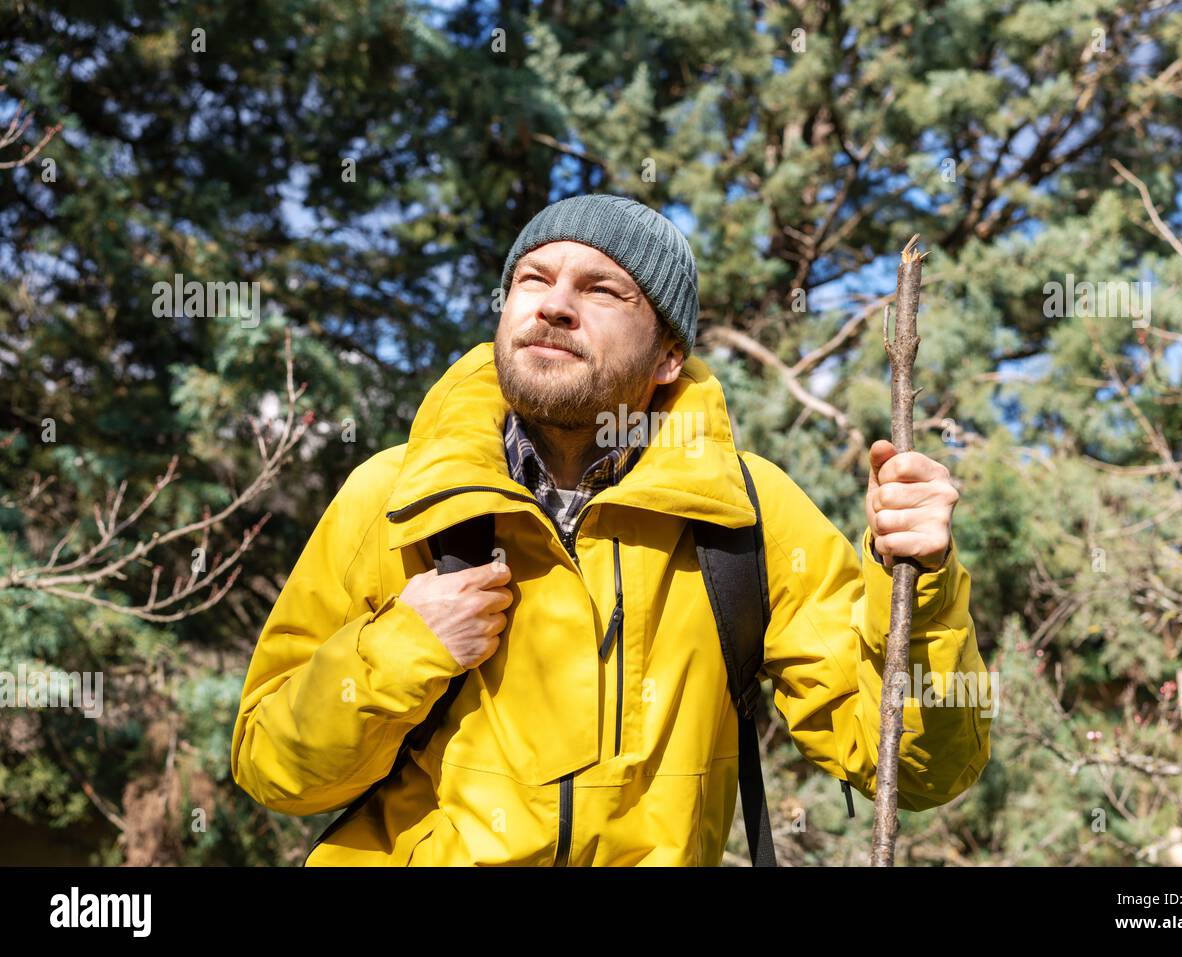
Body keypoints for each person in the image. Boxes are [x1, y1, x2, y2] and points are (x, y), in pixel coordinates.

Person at [230, 193, 992, 866]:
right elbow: (274, 768)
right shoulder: (395, 497)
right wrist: (405, 646)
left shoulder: (746, 514)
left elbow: (919, 770)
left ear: (667, 358)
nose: (554, 305)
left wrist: (921, 588)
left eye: (602, 289)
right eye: (533, 279)